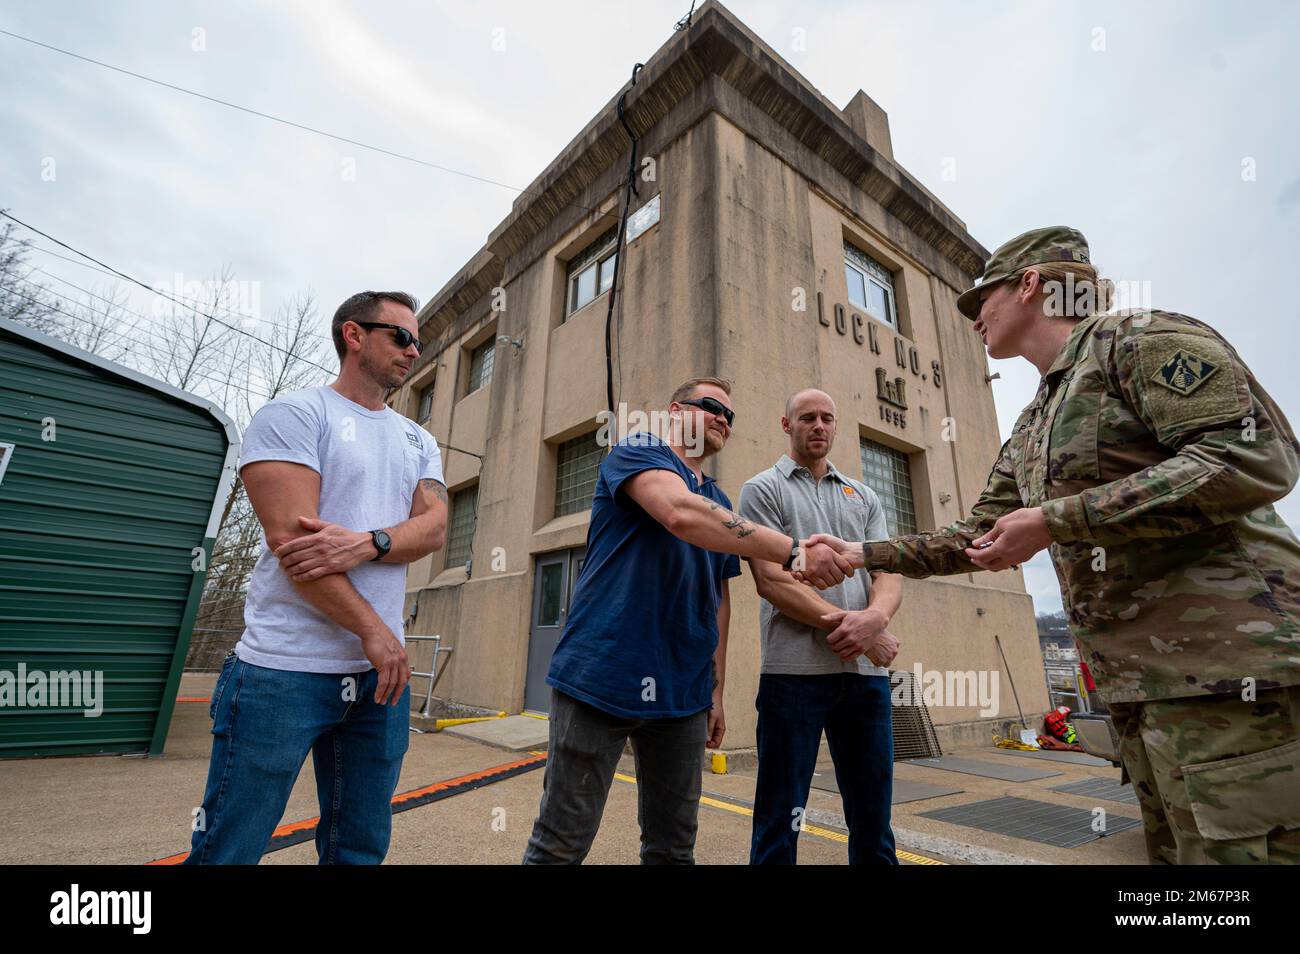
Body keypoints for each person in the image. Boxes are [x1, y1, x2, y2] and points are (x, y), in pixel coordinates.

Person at [805, 226, 1300, 864]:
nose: (975, 317)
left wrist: (1059, 519)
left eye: (983, 298)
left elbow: (1254, 456)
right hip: (1140, 691)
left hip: (1235, 676)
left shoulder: (1140, 340)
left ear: (1032, 284)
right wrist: (859, 554)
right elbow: (974, 537)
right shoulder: (1035, 420)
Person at [522, 377, 853, 864]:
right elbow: (677, 512)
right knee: (561, 843)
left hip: (682, 695)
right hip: (600, 676)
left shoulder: (719, 500)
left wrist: (714, 694)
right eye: (711, 407)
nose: (722, 419)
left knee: (674, 848)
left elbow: (719, 601)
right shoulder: (637, 451)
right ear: (675, 410)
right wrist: (796, 550)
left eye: (729, 416)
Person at [185, 290, 447, 865]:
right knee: (231, 844)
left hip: (380, 683)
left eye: (418, 342)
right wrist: (374, 631)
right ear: (354, 336)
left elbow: (433, 531)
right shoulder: (295, 415)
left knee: (358, 848)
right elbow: (294, 546)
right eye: (400, 337)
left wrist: (367, 542)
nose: (413, 351)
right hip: (284, 672)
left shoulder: (419, 440)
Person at [738, 388, 903, 865]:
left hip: (864, 682)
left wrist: (875, 619)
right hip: (793, 676)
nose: (819, 425)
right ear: (786, 425)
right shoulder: (762, 489)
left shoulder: (863, 495)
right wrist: (855, 629)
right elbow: (770, 580)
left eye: (827, 418)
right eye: (807, 417)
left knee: (873, 816)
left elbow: (888, 570)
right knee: (779, 813)